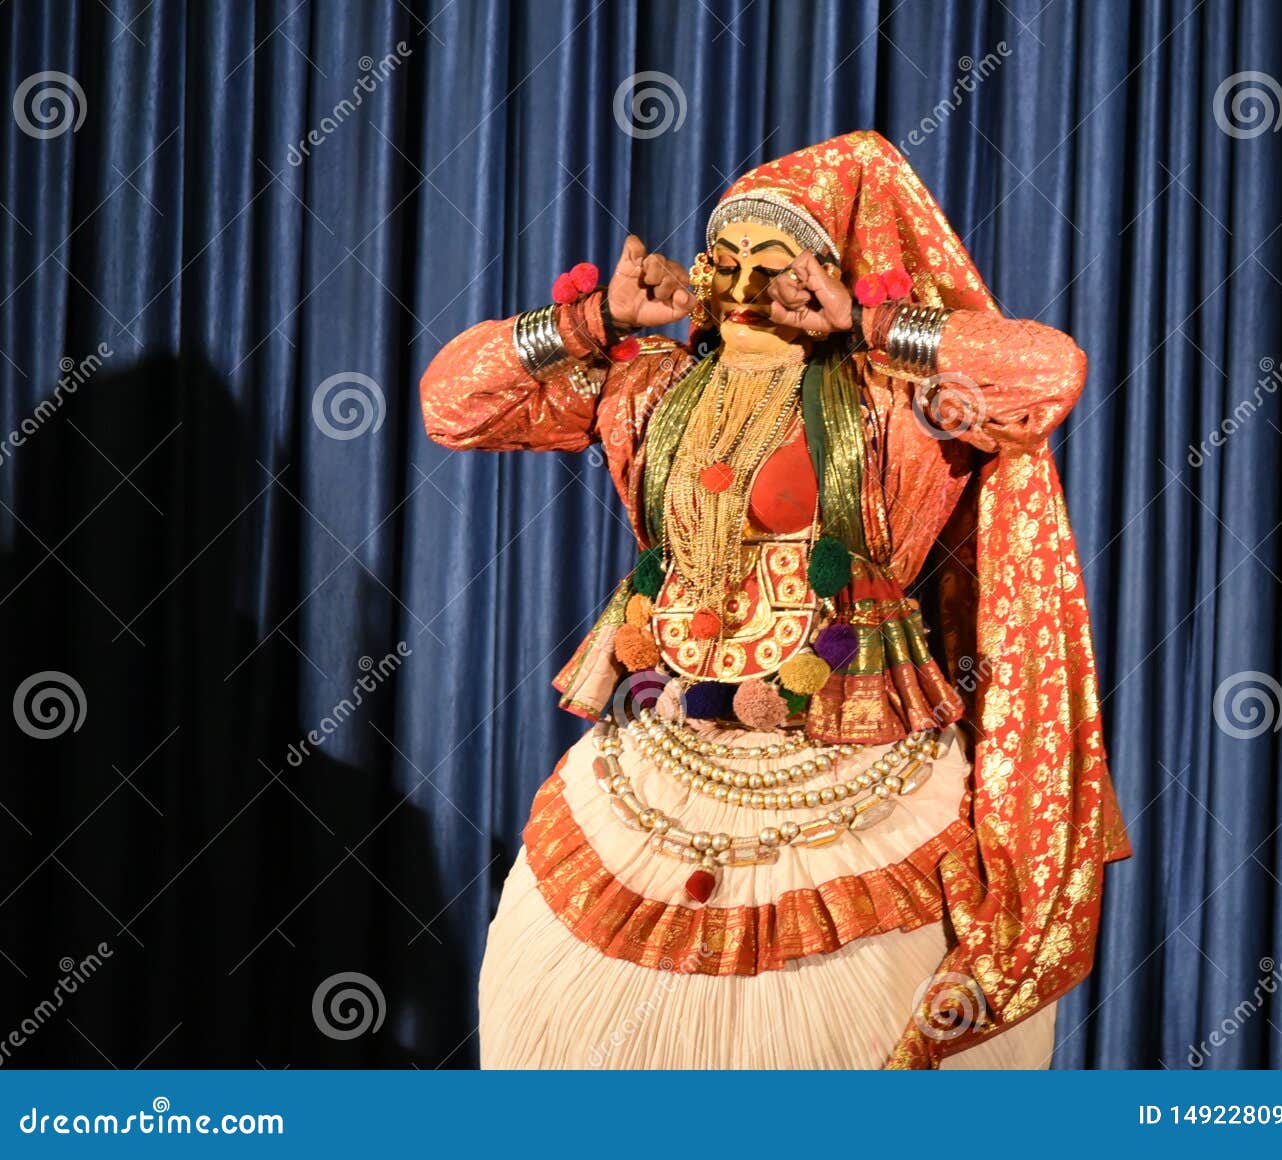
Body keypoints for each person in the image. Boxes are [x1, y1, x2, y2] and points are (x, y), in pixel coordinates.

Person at [420, 130, 1130, 1068]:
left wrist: (875, 325)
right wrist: (593, 319)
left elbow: (1048, 372)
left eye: (780, 265)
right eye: (729, 260)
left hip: (857, 755)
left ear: (828, 277)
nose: (751, 285)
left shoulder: (898, 400)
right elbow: (452, 405)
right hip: (661, 741)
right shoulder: (647, 384)